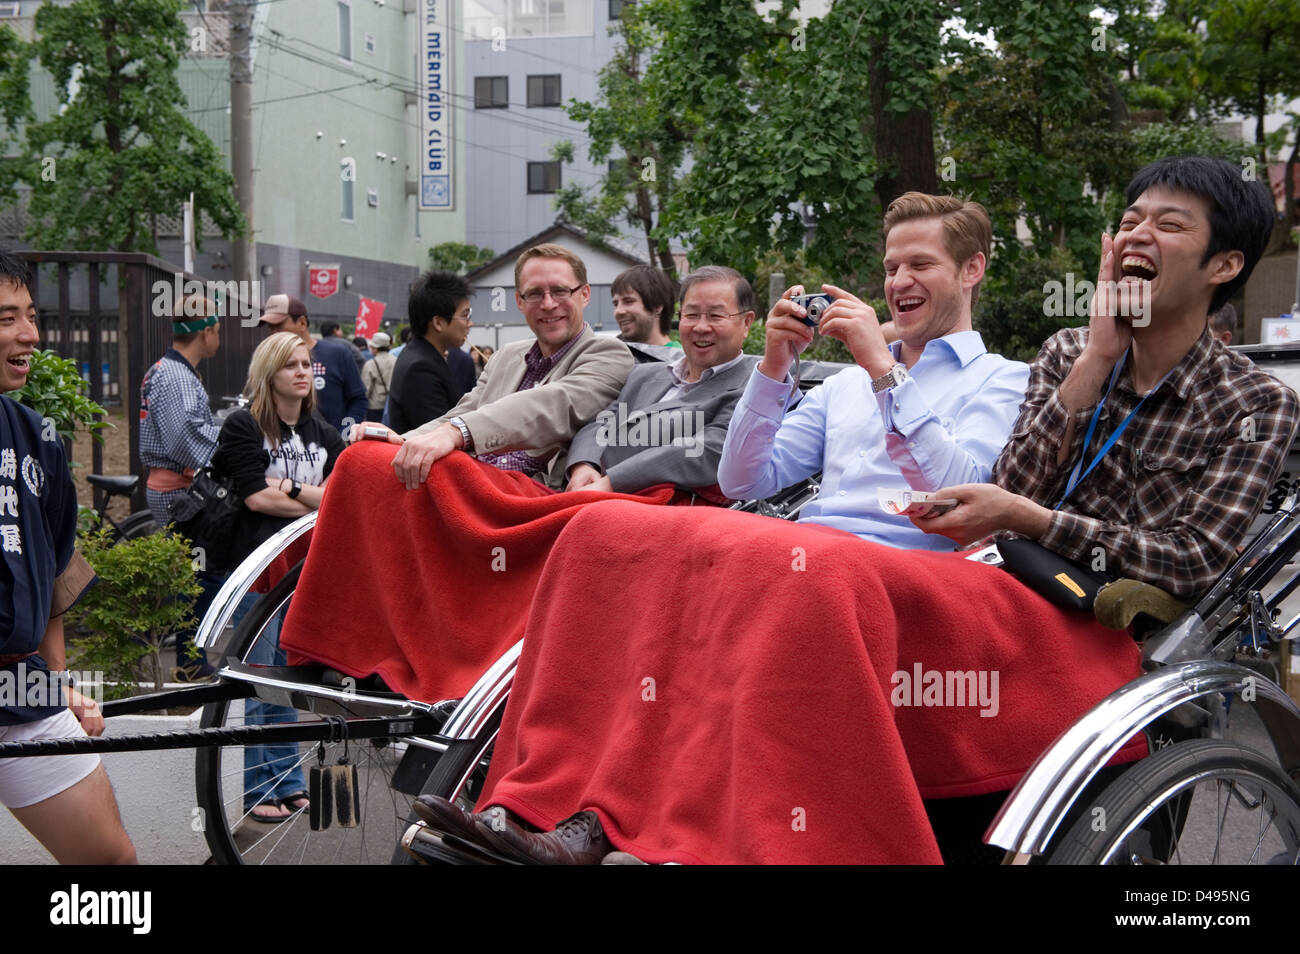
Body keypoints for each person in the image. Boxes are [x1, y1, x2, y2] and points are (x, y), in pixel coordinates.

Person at [414, 161, 1298, 864]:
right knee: (609, 529)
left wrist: (1027, 517)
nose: (1137, 235)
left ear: (1224, 266)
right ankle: (565, 806)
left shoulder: (1250, 400)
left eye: (1168, 225)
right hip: (945, 562)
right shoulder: (1070, 350)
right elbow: (760, 476)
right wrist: (1096, 357)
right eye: (1132, 219)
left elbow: (1180, 557)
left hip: (1074, 606)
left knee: (800, 569)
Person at [0, 249, 136, 863]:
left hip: (16, 684)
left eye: (30, 315)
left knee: (111, 866)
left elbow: (54, 575)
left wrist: (59, 684)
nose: (30, 334)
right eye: (7, 318)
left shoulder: (37, 438)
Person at [362, 244, 635, 490]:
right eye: (535, 294)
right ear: (519, 301)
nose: (549, 304)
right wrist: (398, 441)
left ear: (585, 294)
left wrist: (457, 432)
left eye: (561, 291)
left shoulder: (609, 354)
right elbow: (464, 411)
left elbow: (552, 405)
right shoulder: (507, 355)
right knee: (361, 464)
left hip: (532, 507)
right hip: (467, 488)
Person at [211, 332, 346, 823]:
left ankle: (287, 782)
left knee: (288, 681)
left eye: (306, 363)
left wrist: (288, 485)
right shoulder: (244, 426)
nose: (302, 371)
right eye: (290, 364)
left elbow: (335, 500)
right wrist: (310, 496)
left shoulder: (324, 432)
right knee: (258, 680)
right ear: (269, 373)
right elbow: (254, 499)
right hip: (256, 569)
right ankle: (256, 789)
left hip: (303, 569)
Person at [565, 265, 758, 494]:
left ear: (746, 323)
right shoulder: (643, 374)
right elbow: (601, 422)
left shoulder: (755, 388)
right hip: (587, 491)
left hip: (648, 508)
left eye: (715, 316)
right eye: (691, 315)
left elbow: (707, 450)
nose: (701, 327)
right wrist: (584, 464)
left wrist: (610, 483)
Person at [138, 293, 223, 679]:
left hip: (173, 487)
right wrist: (231, 445)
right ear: (204, 333)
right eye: (217, 329)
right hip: (178, 491)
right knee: (201, 573)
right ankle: (189, 659)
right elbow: (184, 438)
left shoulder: (169, 370)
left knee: (193, 572)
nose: (218, 336)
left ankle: (187, 654)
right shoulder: (176, 377)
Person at [259, 295, 367, 435]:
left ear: (302, 323)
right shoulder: (270, 360)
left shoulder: (338, 354)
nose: (274, 333)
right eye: (270, 327)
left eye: (278, 326)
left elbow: (358, 400)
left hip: (332, 449)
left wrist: (344, 435)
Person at [386, 271, 473, 434]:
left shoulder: (422, 354)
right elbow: (439, 438)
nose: (470, 323)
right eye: (465, 315)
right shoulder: (420, 369)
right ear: (438, 322)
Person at [612, 264, 678, 347]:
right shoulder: (620, 357)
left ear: (657, 306)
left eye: (628, 301)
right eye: (615, 304)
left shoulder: (682, 358)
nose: (618, 311)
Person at [361, 331, 396, 422]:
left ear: (376, 348)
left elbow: (366, 389)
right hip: (392, 405)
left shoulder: (370, 364)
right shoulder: (396, 361)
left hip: (375, 407)